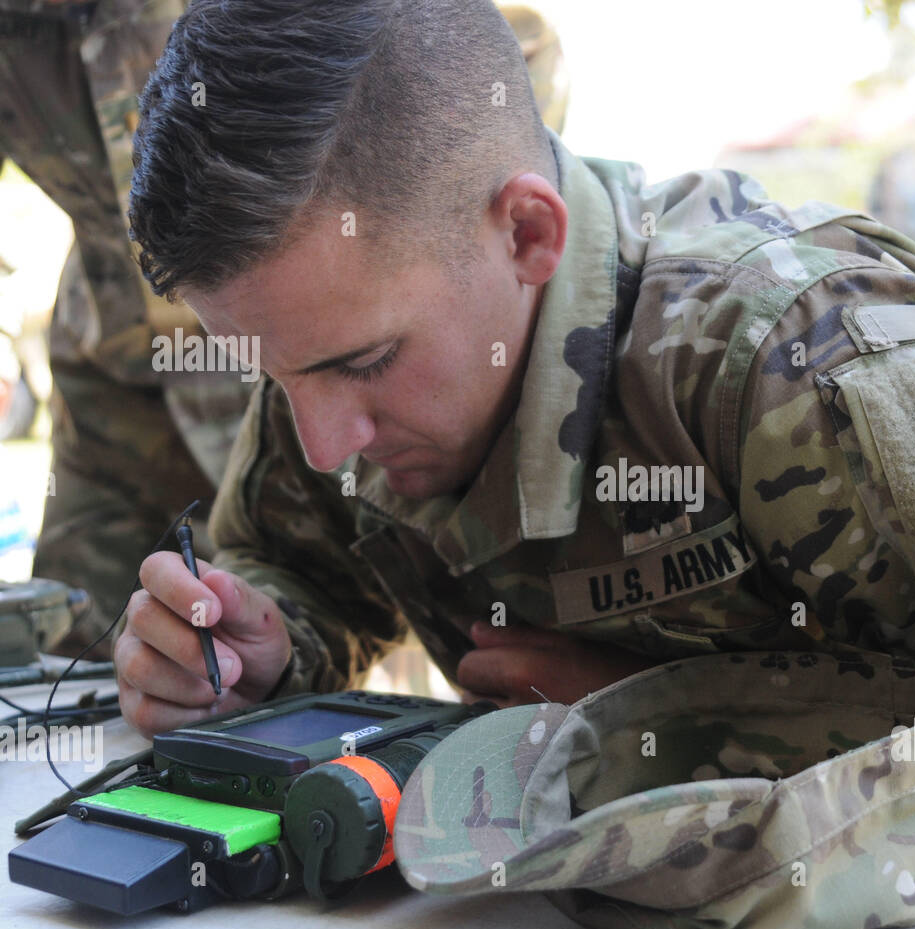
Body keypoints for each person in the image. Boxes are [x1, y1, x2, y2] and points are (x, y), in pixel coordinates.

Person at [115, 0, 915, 890]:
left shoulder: (813, 373)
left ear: (527, 234)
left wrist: (670, 729)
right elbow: (299, 567)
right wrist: (259, 649)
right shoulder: (335, 337)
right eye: (274, 374)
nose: (324, 443)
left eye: (362, 366)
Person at [0, 0, 566, 656]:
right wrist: (260, 666)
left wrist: (423, 232)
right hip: (126, 372)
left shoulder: (669, 366)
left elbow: (487, 50)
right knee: (89, 653)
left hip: (330, 336)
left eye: (369, 358)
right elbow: (301, 593)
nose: (322, 450)